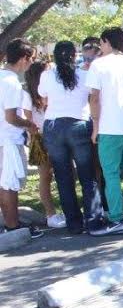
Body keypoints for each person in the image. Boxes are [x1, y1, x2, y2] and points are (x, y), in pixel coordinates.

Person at [87, 27, 123, 235]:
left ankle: (116, 218)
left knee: (111, 174)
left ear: (106, 42)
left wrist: (95, 126)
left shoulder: (99, 65)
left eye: (101, 43)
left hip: (109, 126)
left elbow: (94, 98)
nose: (100, 47)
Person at [41, 41, 102, 234]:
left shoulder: (47, 75)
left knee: (63, 177)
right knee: (87, 176)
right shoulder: (84, 75)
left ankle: (74, 224)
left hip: (53, 125)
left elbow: (43, 96)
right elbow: (93, 97)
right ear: (74, 56)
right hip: (79, 124)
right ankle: (93, 221)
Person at [1, 39, 43, 238]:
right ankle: (13, 226)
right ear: (24, 58)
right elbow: (11, 117)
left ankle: (11, 222)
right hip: (8, 139)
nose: (31, 63)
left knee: (4, 183)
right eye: (31, 58)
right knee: (10, 185)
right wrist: (30, 125)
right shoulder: (11, 82)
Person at [24, 61, 64, 228]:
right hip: (40, 138)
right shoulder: (27, 95)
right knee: (45, 176)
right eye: (48, 70)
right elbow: (28, 121)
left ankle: (67, 209)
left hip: (58, 135)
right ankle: (50, 214)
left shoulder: (51, 90)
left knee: (64, 173)